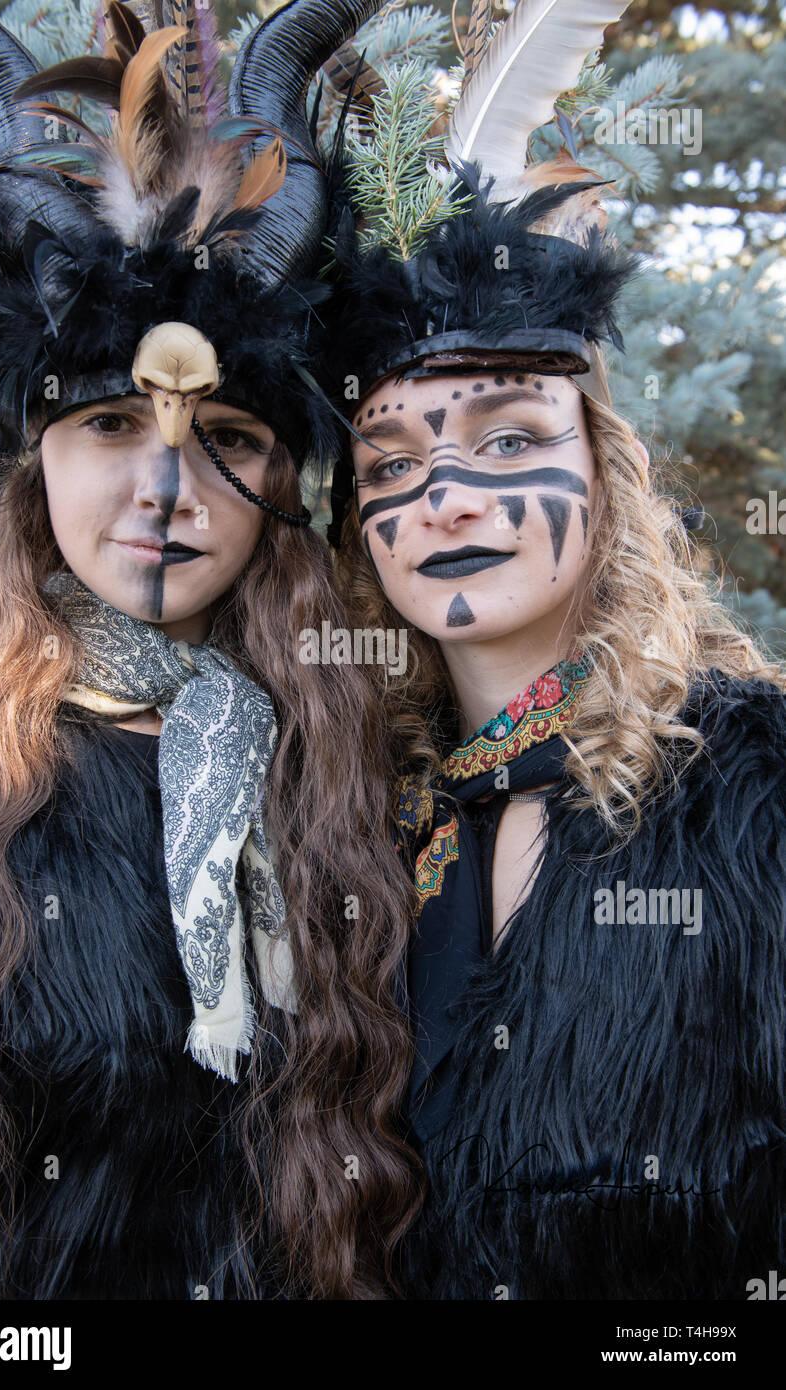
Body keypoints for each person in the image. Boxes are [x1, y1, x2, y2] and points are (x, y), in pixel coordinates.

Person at [0, 0, 419, 1300]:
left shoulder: (361, 753)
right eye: (106, 422)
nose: (165, 485)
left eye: (229, 438)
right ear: (34, 468)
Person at [323, 0, 786, 1299]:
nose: (451, 496)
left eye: (512, 437)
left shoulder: (752, 782)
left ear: (604, 468)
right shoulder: (360, 816)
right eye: (394, 461)